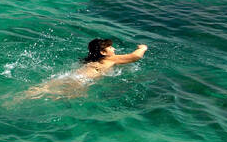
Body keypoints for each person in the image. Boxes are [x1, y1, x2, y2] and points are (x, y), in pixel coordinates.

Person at [13, 39, 148, 100]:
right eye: (110, 47)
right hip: (81, 81)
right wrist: (143, 47)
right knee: (56, 97)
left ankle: (13, 99)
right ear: (103, 52)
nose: (114, 49)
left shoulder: (91, 61)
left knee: (42, 88)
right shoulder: (110, 59)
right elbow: (135, 57)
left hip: (70, 76)